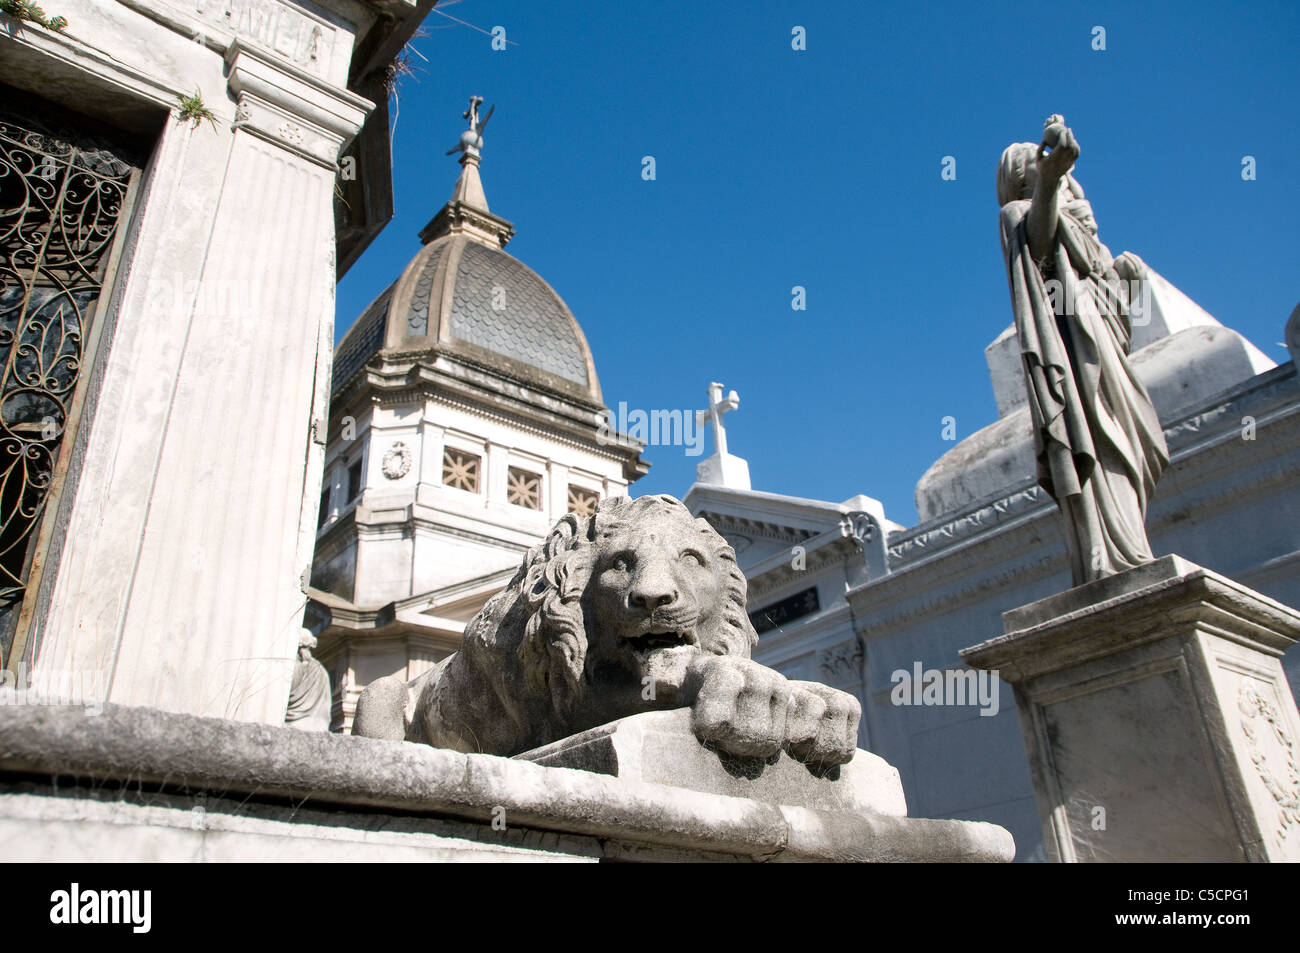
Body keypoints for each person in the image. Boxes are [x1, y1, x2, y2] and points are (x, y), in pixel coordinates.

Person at [997, 115, 1168, 586]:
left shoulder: (1095, 251)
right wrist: (1050, 180)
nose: (1073, 190)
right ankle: (1106, 556)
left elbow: (1116, 327)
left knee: (1137, 450)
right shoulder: (1020, 216)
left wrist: (1126, 286)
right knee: (1094, 441)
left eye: (1073, 184)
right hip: (1074, 368)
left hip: (1106, 361)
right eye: (1055, 178)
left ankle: (1131, 545)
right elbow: (1040, 240)